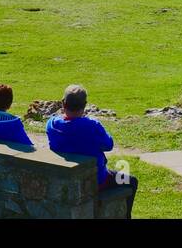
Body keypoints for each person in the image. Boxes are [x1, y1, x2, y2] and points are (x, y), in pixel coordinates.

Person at [46, 85, 137, 214]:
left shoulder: (51, 124)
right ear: (85, 105)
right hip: (96, 180)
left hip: (65, 178)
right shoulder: (92, 126)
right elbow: (109, 144)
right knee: (131, 181)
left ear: (63, 104)